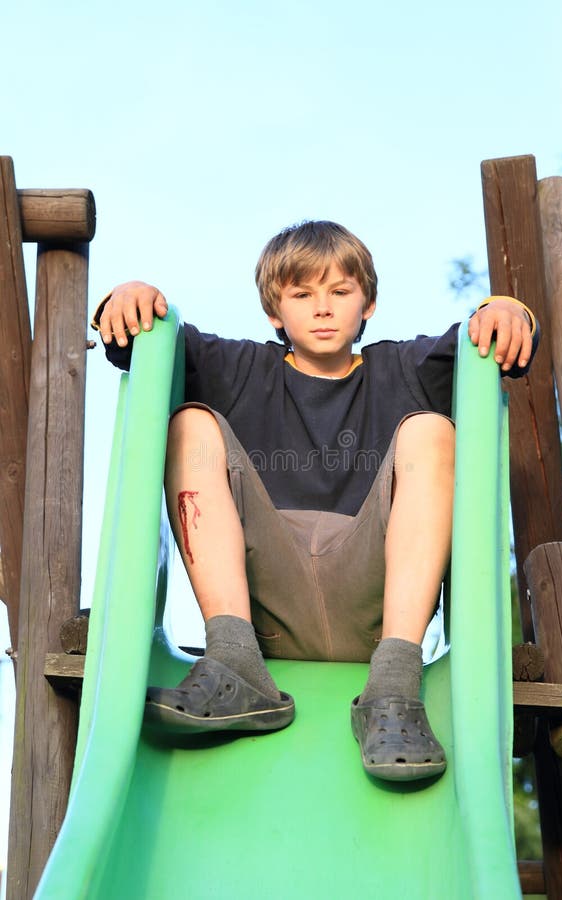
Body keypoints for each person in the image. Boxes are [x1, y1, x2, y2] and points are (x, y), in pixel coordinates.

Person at [92, 220, 538, 782]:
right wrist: (130, 295)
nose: (322, 309)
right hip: (271, 611)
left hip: (372, 609)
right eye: (302, 295)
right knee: (187, 426)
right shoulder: (240, 370)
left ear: (367, 302)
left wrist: (504, 308)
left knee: (430, 430)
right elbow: (139, 340)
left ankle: (396, 684)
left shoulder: (405, 368)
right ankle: (233, 659)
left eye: (340, 292)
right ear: (275, 312)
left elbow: (491, 336)